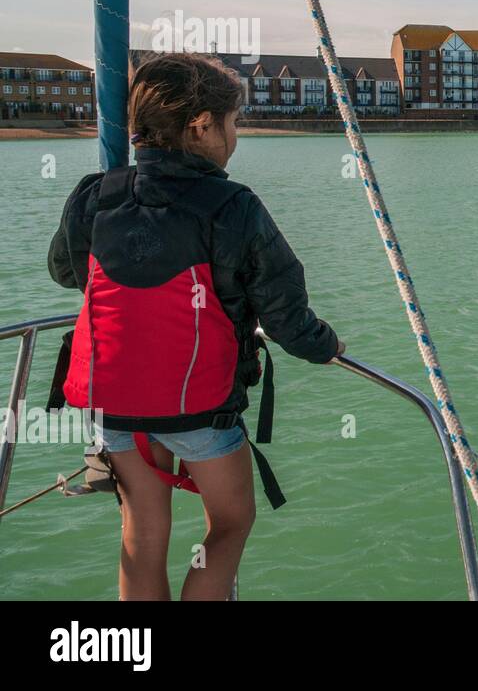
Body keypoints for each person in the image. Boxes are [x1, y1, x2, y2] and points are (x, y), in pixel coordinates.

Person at [47, 51, 343, 600]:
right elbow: (285, 316)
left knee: (142, 533)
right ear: (201, 125)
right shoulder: (234, 206)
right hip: (200, 410)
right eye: (232, 123)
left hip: (115, 406)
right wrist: (327, 345)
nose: (235, 137)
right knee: (230, 524)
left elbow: (68, 272)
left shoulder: (96, 194)